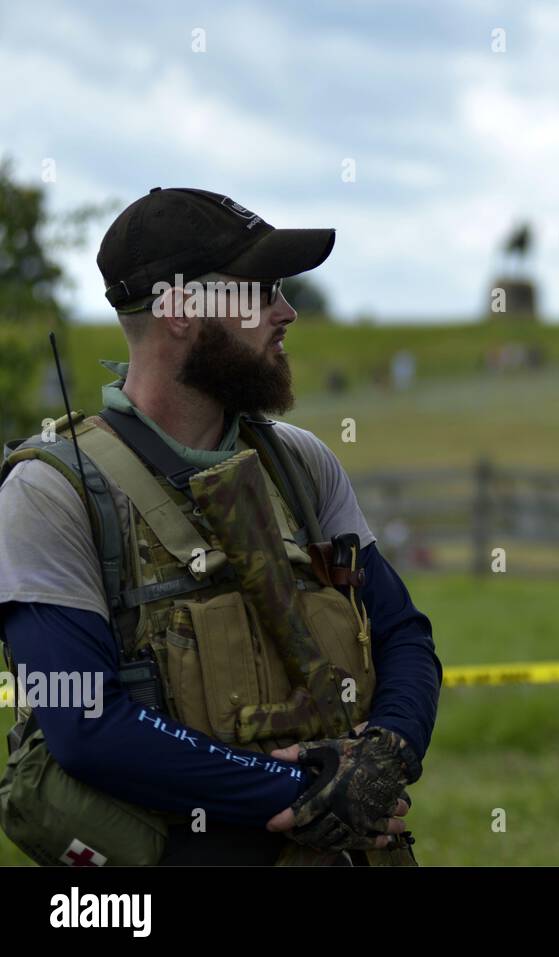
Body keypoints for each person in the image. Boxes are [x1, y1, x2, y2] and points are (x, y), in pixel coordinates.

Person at [0, 187, 442, 866]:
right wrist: (307, 788)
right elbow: (85, 722)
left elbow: (403, 633)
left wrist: (385, 752)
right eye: (262, 290)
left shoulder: (299, 463)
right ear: (179, 310)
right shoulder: (52, 491)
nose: (287, 311)